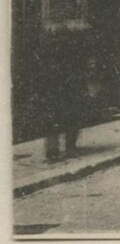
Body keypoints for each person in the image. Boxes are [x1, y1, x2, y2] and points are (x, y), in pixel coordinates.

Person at [38, 28, 89, 161]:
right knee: (72, 118)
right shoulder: (76, 51)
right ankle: (70, 148)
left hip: (55, 89)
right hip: (69, 89)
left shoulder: (49, 51)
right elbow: (80, 71)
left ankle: (52, 149)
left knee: (53, 118)